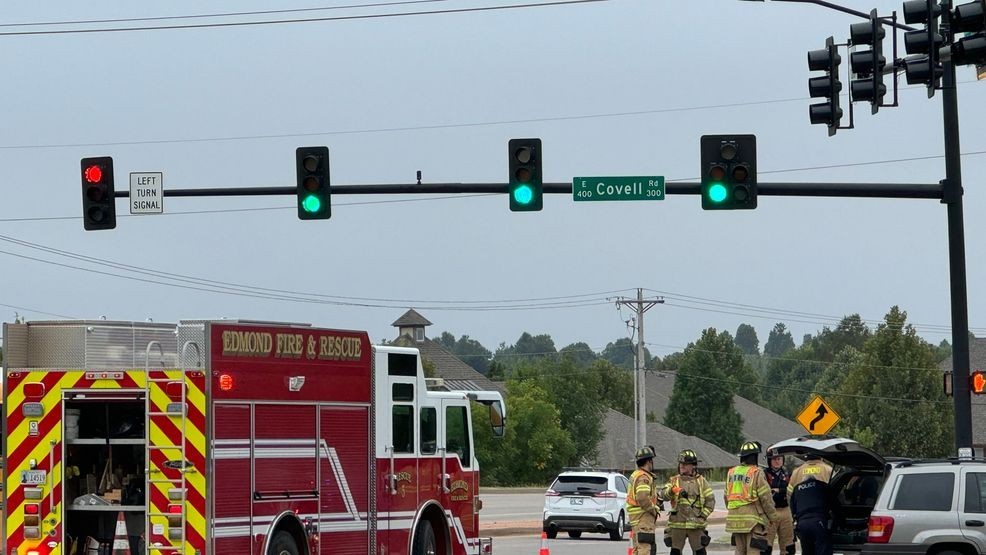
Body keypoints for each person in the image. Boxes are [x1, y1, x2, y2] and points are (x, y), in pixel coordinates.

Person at [725, 441, 778, 555]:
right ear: (755, 457)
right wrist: (772, 517)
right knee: (753, 551)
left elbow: (726, 496)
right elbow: (766, 498)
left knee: (739, 551)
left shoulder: (731, 472)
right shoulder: (756, 472)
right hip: (752, 521)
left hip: (735, 521)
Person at [661, 449, 715, 555]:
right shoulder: (674, 481)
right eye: (681, 463)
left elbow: (710, 501)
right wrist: (671, 490)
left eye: (685, 464)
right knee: (675, 552)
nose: (682, 466)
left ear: (693, 466)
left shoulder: (701, 482)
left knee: (700, 552)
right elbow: (663, 495)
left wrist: (702, 516)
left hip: (695, 525)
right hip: (677, 525)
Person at [788, 454, 835, 555]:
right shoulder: (828, 470)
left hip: (802, 522)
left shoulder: (797, 472)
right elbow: (836, 495)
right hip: (820, 520)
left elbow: (790, 496)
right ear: (821, 456)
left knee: (807, 550)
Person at [627, 446, 661, 555]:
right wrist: (654, 510)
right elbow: (642, 498)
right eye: (652, 461)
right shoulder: (644, 477)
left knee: (637, 550)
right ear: (649, 461)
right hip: (643, 519)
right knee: (644, 550)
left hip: (636, 519)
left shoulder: (635, 474)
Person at [764, 448, 795, 555]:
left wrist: (779, 490)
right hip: (770, 512)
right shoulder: (763, 474)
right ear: (769, 461)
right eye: (774, 459)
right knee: (766, 546)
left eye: (779, 459)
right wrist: (781, 491)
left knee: (789, 546)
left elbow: (792, 491)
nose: (777, 461)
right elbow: (766, 493)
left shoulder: (788, 474)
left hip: (786, 510)